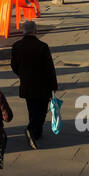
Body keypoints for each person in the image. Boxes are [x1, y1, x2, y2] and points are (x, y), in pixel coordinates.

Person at [9, 19, 57, 149]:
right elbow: (49, 68)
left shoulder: (16, 46)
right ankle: (31, 129)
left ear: (23, 31)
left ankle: (36, 132)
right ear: (35, 31)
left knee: (32, 109)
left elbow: (14, 65)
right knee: (41, 111)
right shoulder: (42, 46)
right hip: (42, 85)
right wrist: (54, 86)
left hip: (27, 84)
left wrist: (22, 74)